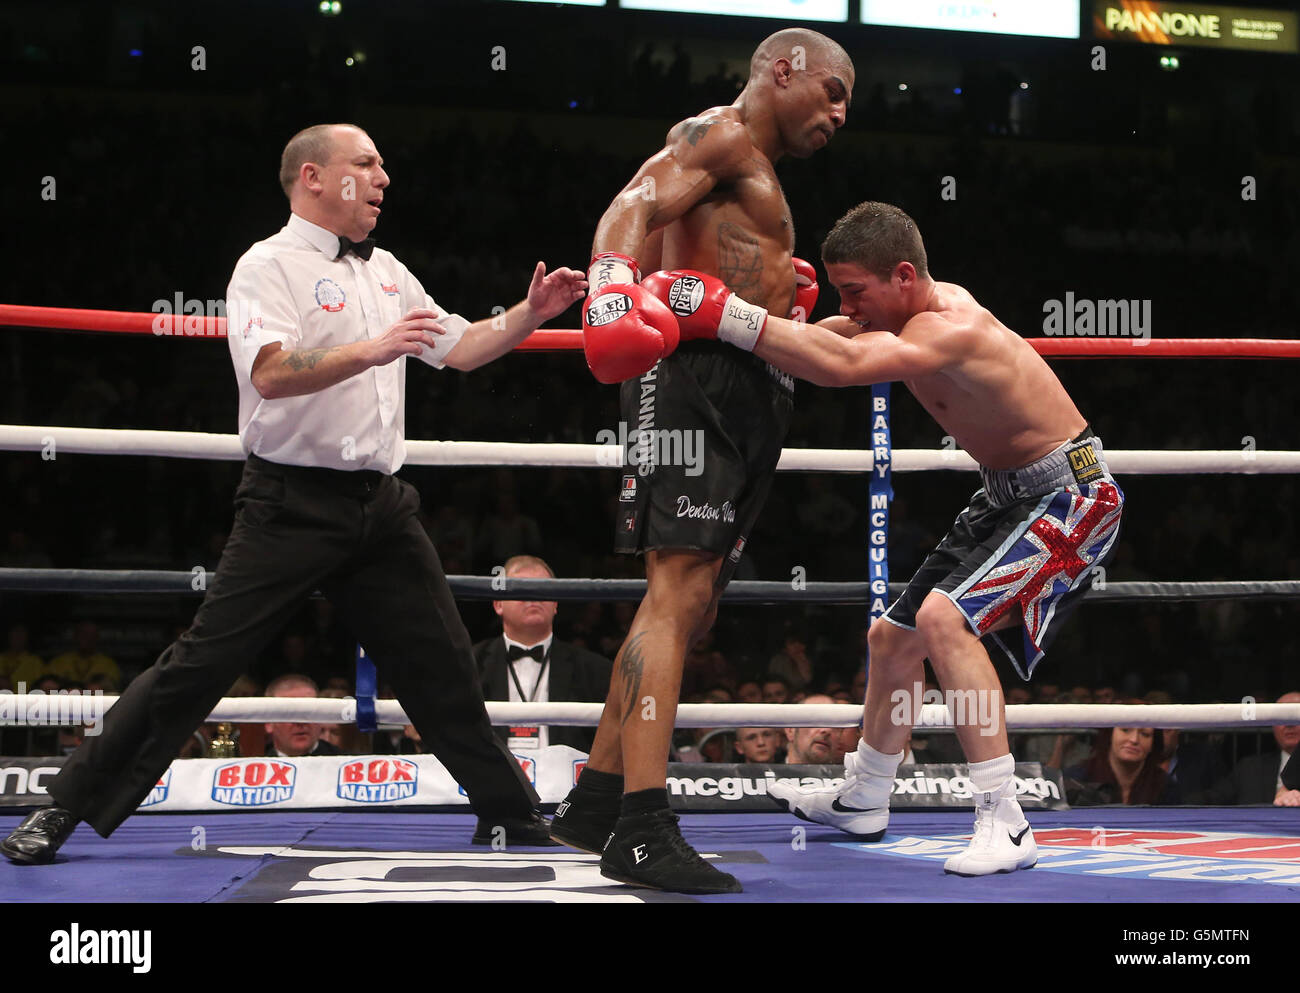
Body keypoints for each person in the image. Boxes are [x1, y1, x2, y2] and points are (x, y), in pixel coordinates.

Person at [0, 122, 586, 866]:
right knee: (200, 665)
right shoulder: (264, 266)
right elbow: (271, 372)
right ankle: (63, 806)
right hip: (290, 504)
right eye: (366, 163)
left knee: (440, 664)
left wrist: (531, 312)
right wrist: (372, 347)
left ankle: (509, 814)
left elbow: (463, 348)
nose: (383, 178)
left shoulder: (386, 270)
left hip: (380, 506)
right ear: (314, 177)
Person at [643, 201, 1124, 876]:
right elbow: (834, 337)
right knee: (892, 638)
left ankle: (1005, 819)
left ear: (903, 276)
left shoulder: (947, 327)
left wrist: (723, 312)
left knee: (943, 619)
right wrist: (744, 324)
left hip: (1072, 495)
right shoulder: (900, 316)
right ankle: (864, 795)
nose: (847, 304)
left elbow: (838, 365)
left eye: (855, 291)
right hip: (1007, 492)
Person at [551, 27, 854, 894]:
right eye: (832, 93)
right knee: (676, 589)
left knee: (696, 597)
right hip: (691, 376)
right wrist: (611, 285)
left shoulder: (757, 172)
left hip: (743, 383)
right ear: (782, 70)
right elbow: (631, 203)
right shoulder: (720, 134)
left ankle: (598, 801)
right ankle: (644, 829)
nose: (839, 115)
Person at [474, 555, 613, 753]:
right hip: (490, 778)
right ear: (498, 604)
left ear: (555, 603)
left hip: (566, 780)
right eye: (522, 589)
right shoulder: (471, 665)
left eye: (542, 589)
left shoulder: (594, 670)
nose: (533, 597)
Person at [1186, 691, 1299, 805]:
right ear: (1273, 725)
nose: (1289, 725)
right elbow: (1211, 798)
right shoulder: (1250, 768)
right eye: (1281, 717)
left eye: (1296, 716)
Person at [262, 674, 340, 757]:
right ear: (269, 723)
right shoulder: (257, 767)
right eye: (290, 713)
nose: (301, 722)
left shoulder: (345, 764)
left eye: (308, 711)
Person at [782, 693, 837, 764]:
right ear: (790, 730)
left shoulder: (850, 774)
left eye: (834, 724)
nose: (826, 730)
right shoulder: (766, 773)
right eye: (816, 720)